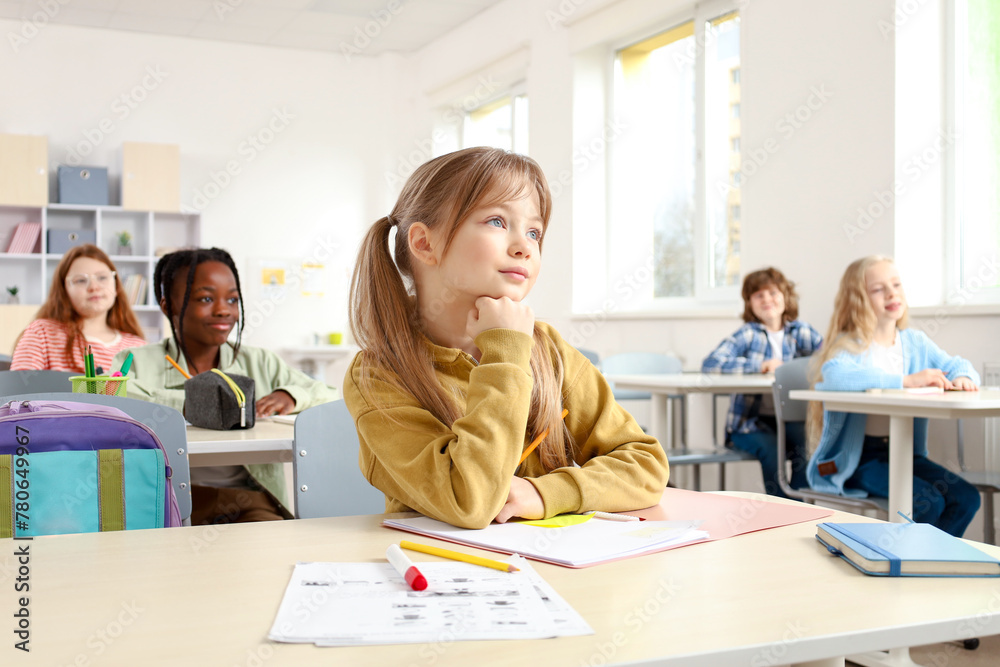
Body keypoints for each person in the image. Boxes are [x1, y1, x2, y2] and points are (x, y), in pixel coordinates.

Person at [343, 146, 669, 530]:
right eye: (497, 221)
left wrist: (549, 494)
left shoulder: (547, 348)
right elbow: (471, 501)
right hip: (441, 572)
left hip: (551, 568)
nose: (525, 246)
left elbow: (646, 465)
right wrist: (505, 354)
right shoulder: (379, 375)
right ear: (424, 244)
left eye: (534, 231)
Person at [115, 247, 338, 524]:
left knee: (276, 553)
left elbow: (330, 396)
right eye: (206, 298)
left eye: (232, 300)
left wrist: (291, 395)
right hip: (170, 503)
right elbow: (109, 396)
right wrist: (192, 405)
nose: (223, 311)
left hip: (247, 501)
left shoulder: (260, 361)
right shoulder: (135, 361)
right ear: (167, 306)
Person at [807, 255, 981, 537]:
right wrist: (905, 381)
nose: (891, 294)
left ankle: (930, 567)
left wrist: (963, 377)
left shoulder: (914, 341)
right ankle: (907, 565)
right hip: (858, 458)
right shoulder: (850, 344)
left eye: (896, 285)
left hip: (904, 451)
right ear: (857, 298)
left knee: (967, 499)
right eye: (878, 289)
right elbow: (835, 375)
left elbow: (958, 365)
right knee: (928, 503)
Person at [701, 267, 823, 498]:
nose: (767, 300)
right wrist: (757, 366)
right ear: (750, 304)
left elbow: (829, 357)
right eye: (759, 296)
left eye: (773, 293)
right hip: (750, 424)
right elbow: (711, 363)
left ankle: (800, 507)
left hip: (788, 419)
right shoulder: (748, 334)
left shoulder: (801, 331)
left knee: (809, 445)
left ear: (786, 298)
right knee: (771, 450)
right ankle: (781, 508)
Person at [11, 244, 145, 373]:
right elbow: (19, 392)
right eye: (80, 280)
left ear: (116, 287)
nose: (94, 287)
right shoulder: (42, 334)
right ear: (64, 291)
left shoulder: (139, 348)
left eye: (102, 277)